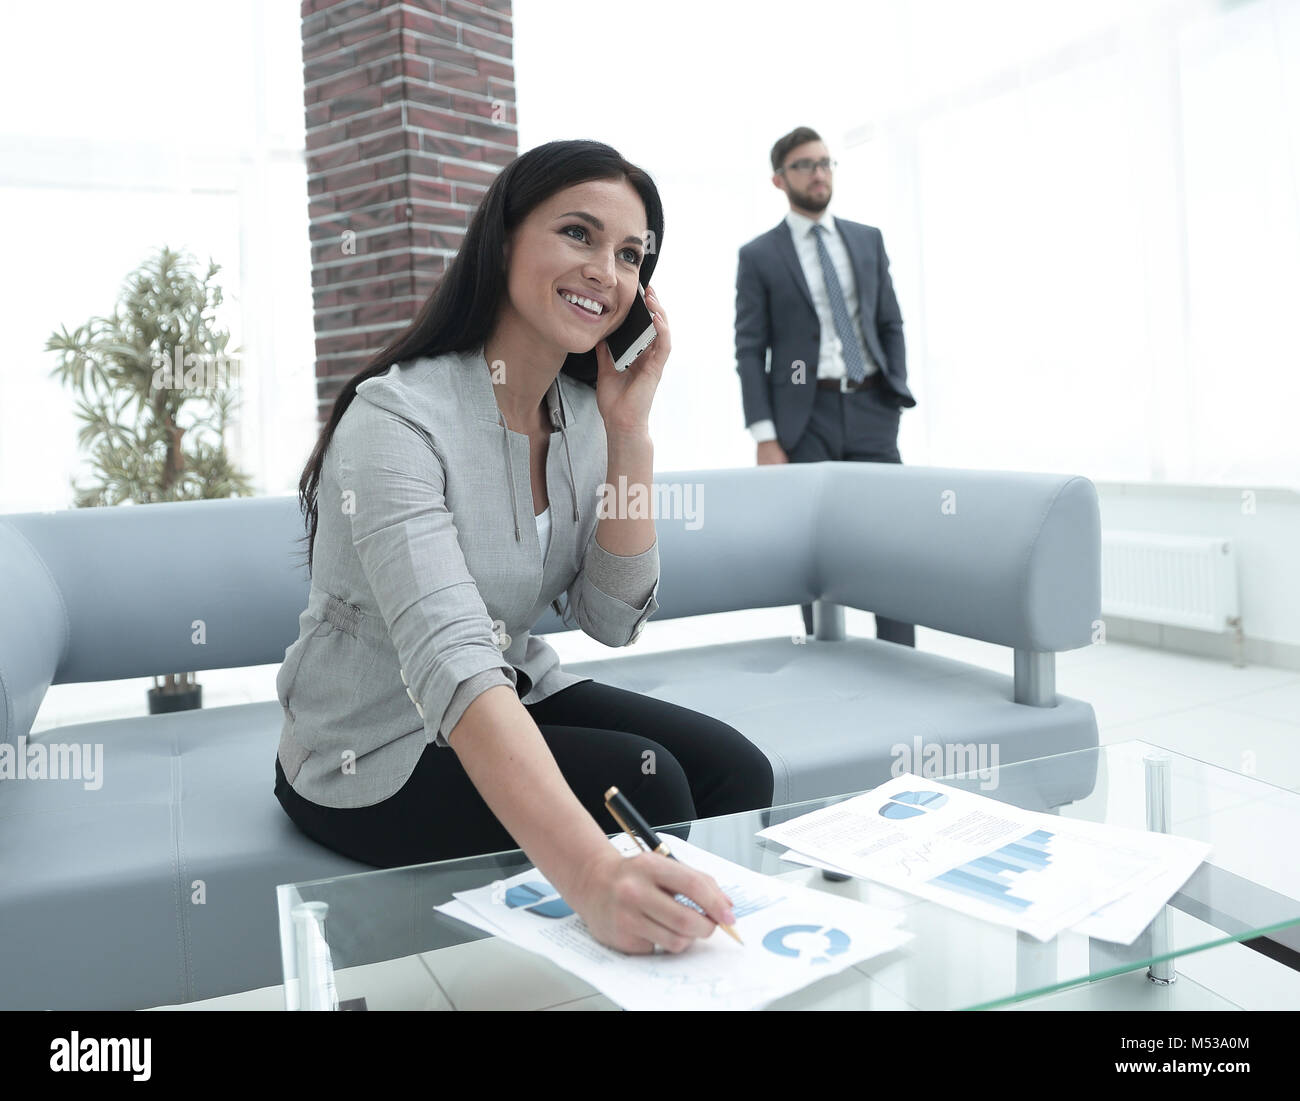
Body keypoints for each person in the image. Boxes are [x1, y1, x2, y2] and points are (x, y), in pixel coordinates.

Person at [275, 139, 774, 955]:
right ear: (504, 240)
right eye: (578, 233)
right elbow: (451, 658)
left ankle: (707, 961)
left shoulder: (580, 416)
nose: (606, 272)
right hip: (374, 744)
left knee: (738, 770)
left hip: (513, 683)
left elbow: (612, 618)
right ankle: (637, 951)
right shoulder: (395, 419)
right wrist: (591, 875)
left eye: (630, 255)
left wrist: (629, 430)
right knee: (653, 783)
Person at [735, 126, 917, 646]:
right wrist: (765, 436)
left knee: (890, 540)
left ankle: (900, 657)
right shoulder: (760, 255)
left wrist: (894, 392)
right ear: (779, 179)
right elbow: (750, 348)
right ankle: (825, 654)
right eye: (804, 165)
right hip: (804, 416)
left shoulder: (867, 239)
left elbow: (890, 322)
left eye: (824, 162)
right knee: (813, 545)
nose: (818, 173)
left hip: (872, 407)